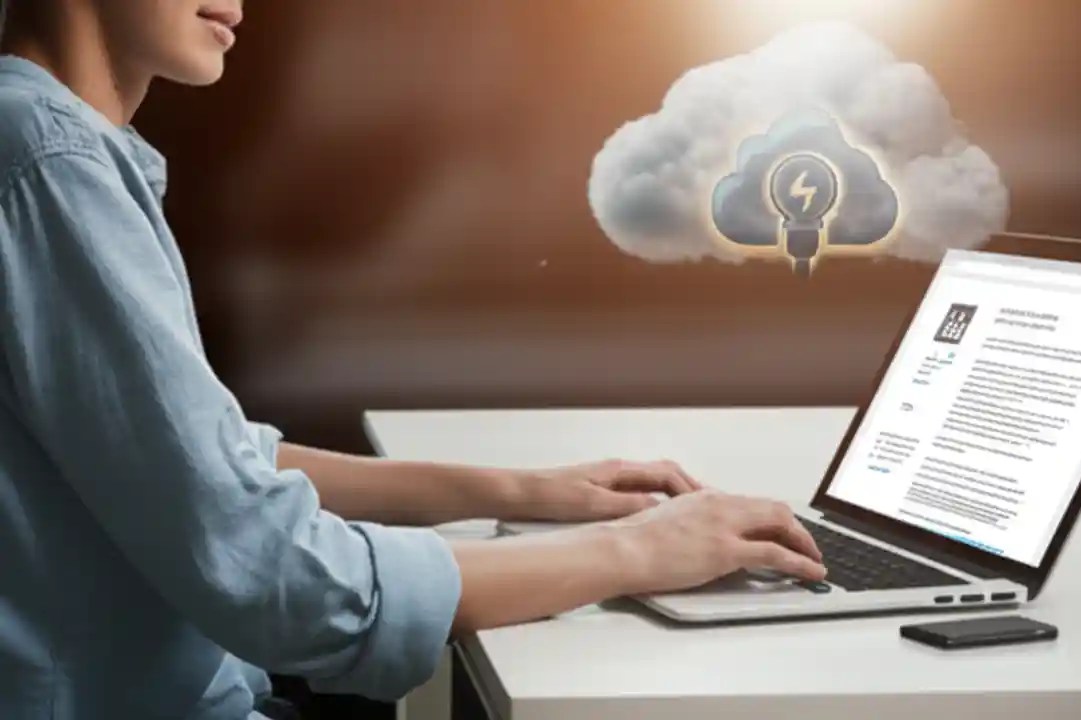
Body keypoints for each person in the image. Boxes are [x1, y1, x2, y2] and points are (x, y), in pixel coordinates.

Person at [0, 1, 826, 718]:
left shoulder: (65, 149)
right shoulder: (47, 161)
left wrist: (524, 491)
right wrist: (641, 552)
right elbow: (273, 575)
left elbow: (208, 460)